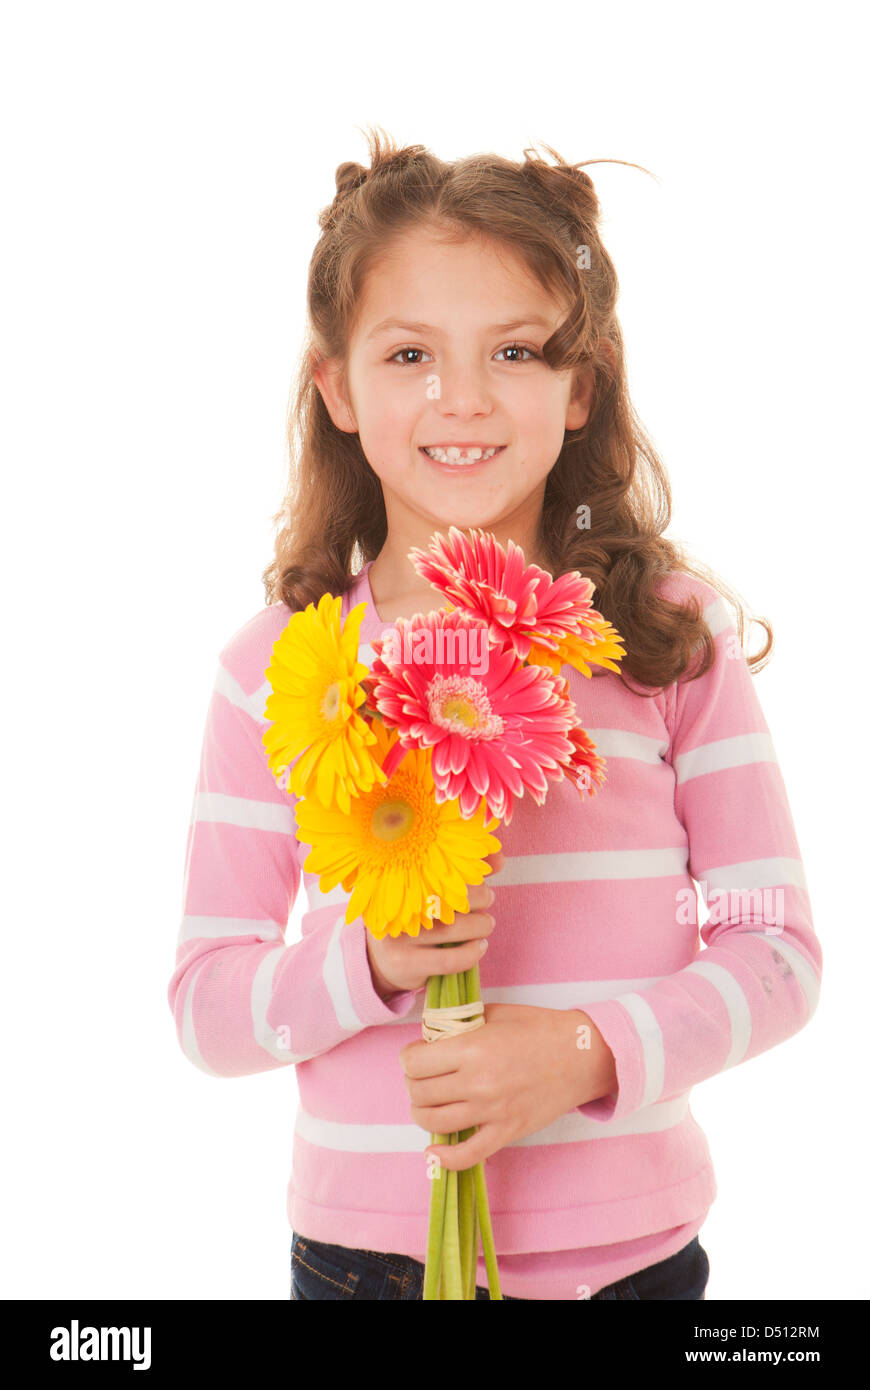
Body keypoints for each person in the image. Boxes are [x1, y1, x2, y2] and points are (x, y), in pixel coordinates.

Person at [167, 127, 822, 1301]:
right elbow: (208, 1007)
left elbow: (775, 949)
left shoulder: (665, 639)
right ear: (337, 387)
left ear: (581, 387)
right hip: (368, 1263)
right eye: (410, 352)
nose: (460, 398)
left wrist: (579, 1055)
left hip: (636, 1262)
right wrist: (364, 960)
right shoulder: (281, 669)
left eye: (516, 351)